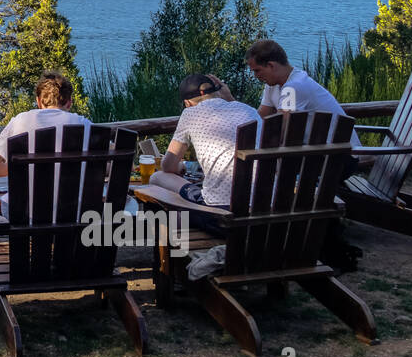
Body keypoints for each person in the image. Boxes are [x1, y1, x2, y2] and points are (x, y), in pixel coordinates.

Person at [151, 73, 261, 232]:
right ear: (218, 92)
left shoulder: (190, 114)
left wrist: (181, 166)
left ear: (187, 103)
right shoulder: (249, 111)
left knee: (157, 177)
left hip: (221, 216)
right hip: (261, 210)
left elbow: (168, 166)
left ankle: (171, 249)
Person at [0, 72, 92, 217]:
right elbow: (107, 164)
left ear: (38, 101)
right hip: (73, 214)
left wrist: (18, 169)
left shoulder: (21, 121)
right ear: (69, 102)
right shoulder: (84, 125)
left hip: (24, 214)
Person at [245, 39, 361, 149]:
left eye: (257, 70)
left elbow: (280, 131)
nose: (256, 76)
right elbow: (260, 119)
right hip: (318, 152)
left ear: (271, 65)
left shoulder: (293, 87)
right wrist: (232, 102)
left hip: (337, 155)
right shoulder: (273, 84)